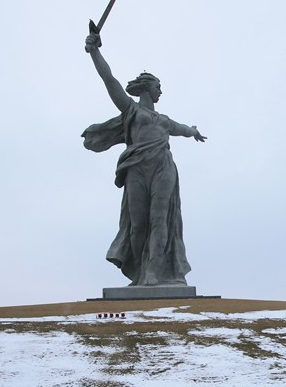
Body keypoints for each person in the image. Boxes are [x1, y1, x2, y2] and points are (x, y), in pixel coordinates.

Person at [82, 30, 207, 287]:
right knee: (138, 224)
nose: (161, 91)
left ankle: (154, 271)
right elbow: (109, 80)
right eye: (158, 86)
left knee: (159, 219)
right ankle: (140, 272)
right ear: (148, 88)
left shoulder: (164, 120)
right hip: (136, 169)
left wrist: (193, 131)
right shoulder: (131, 110)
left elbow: (183, 129)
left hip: (162, 167)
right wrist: (95, 52)